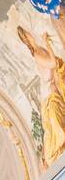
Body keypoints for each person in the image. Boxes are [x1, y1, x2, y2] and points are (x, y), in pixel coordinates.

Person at [16, 25, 65, 165]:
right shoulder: (37, 53)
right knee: (58, 130)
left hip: (56, 94)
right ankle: (54, 156)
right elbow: (53, 62)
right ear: (26, 38)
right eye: (27, 33)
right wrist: (47, 43)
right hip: (51, 99)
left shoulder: (39, 50)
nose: (31, 33)